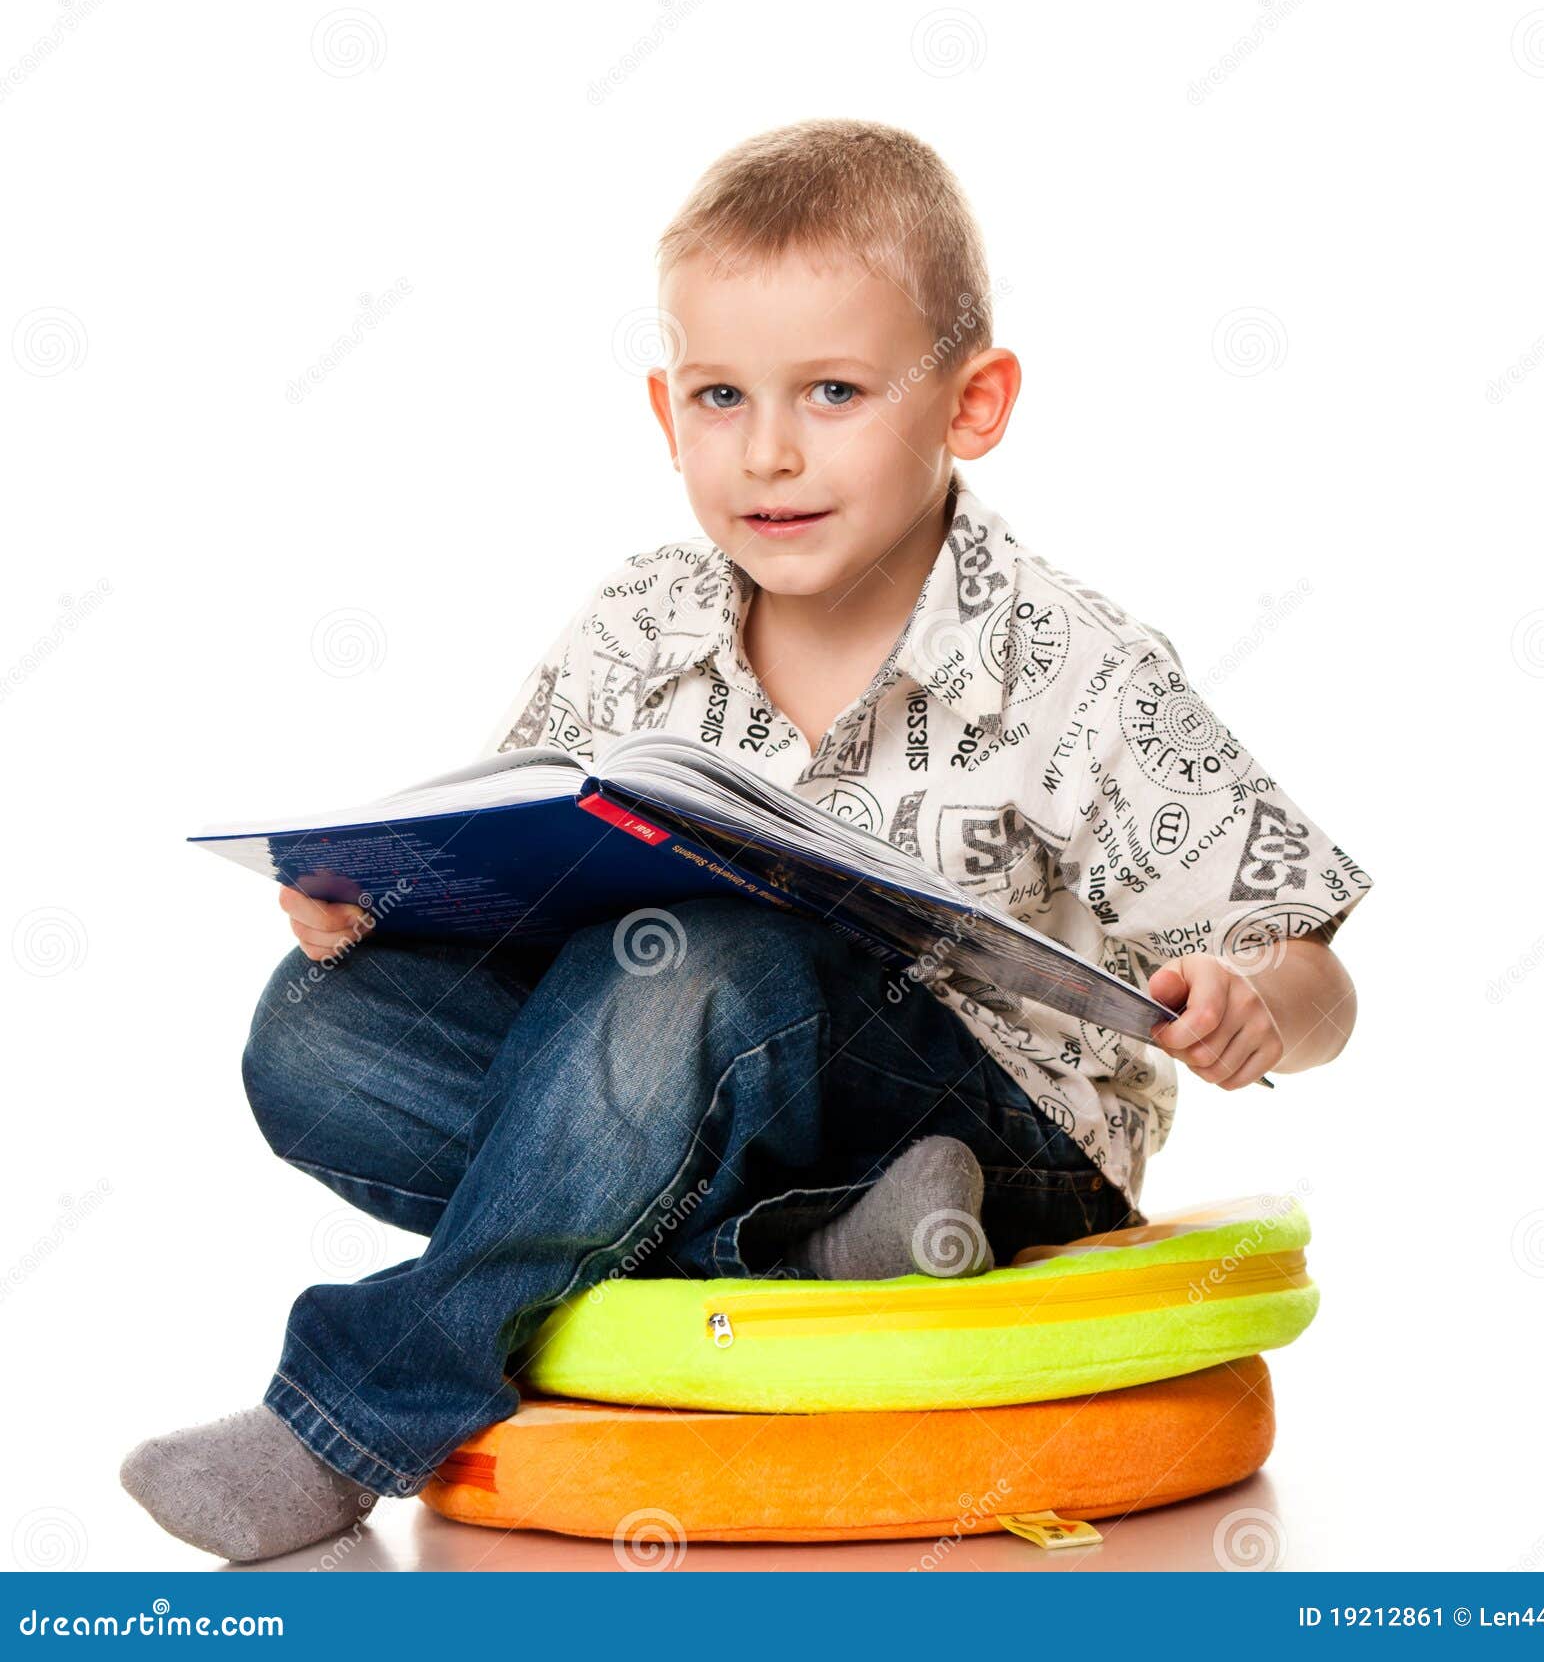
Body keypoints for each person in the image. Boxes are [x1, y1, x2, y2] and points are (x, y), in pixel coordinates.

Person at [120, 118, 1371, 1562]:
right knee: (316, 1032)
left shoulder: (1076, 665)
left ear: (973, 404)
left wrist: (1260, 1002)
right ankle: (809, 1241)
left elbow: (1315, 964)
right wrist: (378, 909)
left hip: (998, 1140)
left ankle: (349, 1415)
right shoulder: (639, 621)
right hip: (728, 1102)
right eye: (722, 395)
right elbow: (514, 863)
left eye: (832, 391)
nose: (769, 450)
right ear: (665, 413)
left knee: (692, 964)